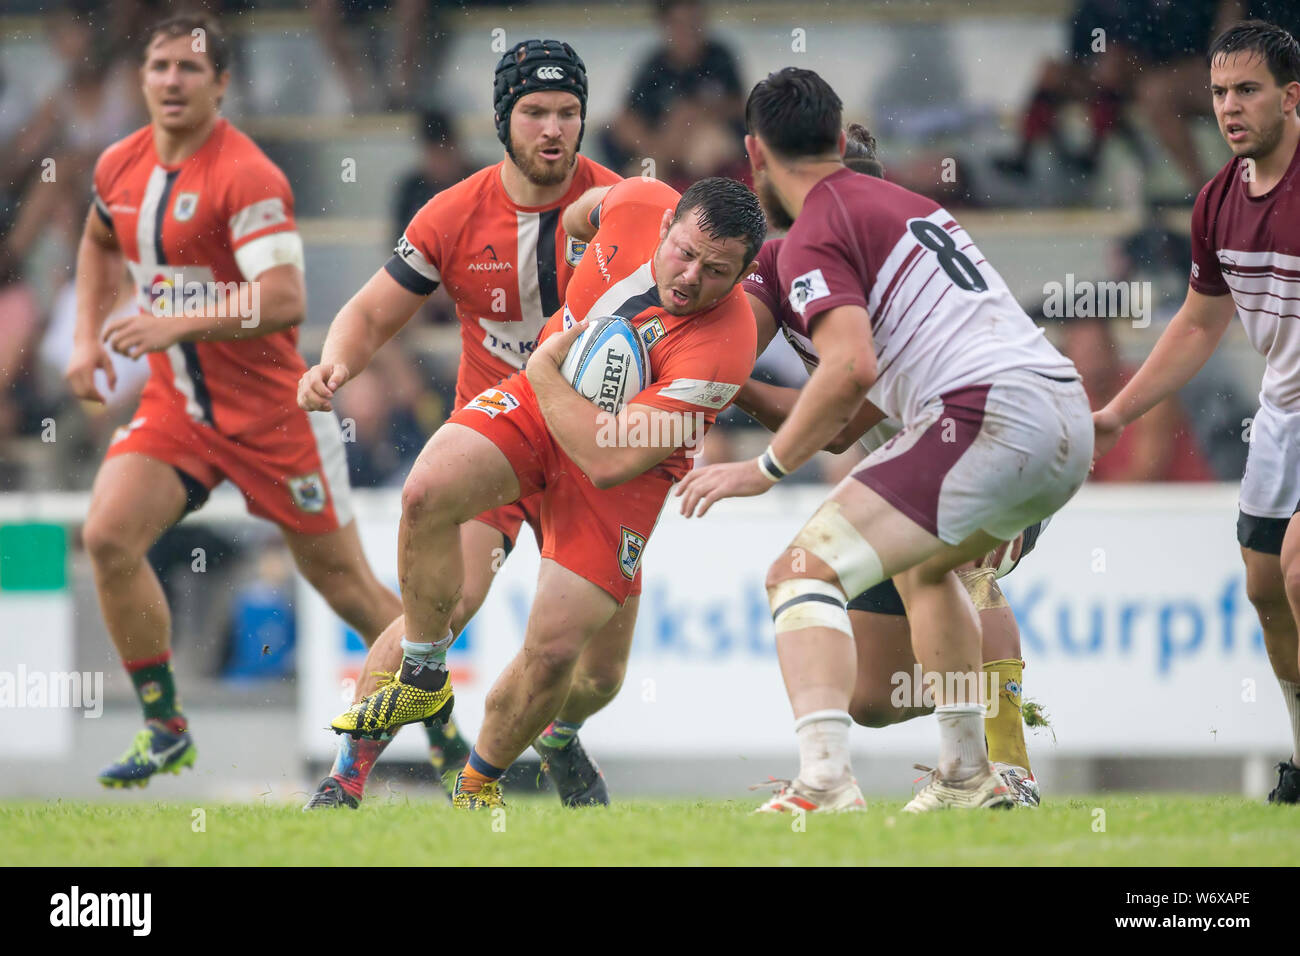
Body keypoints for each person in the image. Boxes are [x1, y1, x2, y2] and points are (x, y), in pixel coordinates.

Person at [678, 67, 1092, 813]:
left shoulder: (817, 231)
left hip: (982, 422)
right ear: (836, 141)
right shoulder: (907, 210)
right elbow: (756, 362)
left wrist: (763, 470)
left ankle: (837, 782)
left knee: (801, 572)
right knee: (905, 625)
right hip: (1052, 414)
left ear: (755, 154)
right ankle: (967, 776)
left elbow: (850, 379)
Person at [327, 174, 765, 809]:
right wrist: (558, 337)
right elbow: (579, 219)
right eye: (685, 252)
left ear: (743, 275)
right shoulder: (637, 201)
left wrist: (540, 366)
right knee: (426, 491)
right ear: (667, 225)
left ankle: (502, 769)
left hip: (621, 471)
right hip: (538, 407)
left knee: (581, 666)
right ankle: (366, 752)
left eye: (717, 270)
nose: (693, 276)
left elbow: (606, 458)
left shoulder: (726, 348)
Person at [67, 14, 403, 789]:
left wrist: (172, 322)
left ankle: (448, 730)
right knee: (110, 535)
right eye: (159, 66)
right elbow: (95, 239)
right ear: (141, 78)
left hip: (273, 412)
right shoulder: (118, 166)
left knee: (345, 587)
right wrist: (86, 339)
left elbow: (284, 301)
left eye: (190, 68)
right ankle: (165, 728)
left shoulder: (247, 175)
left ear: (222, 83)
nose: (172, 81)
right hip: (181, 407)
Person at [297, 40, 625, 810]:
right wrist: (335, 363)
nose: (553, 128)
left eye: (568, 112)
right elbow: (372, 311)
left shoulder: (623, 207)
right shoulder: (453, 212)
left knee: (601, 671)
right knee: (437, 612)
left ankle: (560, 735)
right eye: (535, 112)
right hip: (498, 437)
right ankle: (346, 779)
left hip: (597, 449)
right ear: (504, 119)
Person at [735, 126, 1043, 807]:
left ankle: (1005, 763)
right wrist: (690, 372)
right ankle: (988, 683)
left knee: (959, 567)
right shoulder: (781, 260)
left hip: (997, 442)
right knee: (874, 697)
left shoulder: (890, 273)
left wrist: (739, 396)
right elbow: (735, 340)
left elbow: (843, 426)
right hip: (904, 468)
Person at [1093, 20, 1300, 804]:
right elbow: (1199, 322)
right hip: (1283, 415)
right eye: (1218, 93)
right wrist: (1116, 412)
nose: (1228, 108)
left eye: (1247, 91)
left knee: (1298, 570)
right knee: (1265, 591)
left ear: (1291, 96)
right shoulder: (1216, 201)